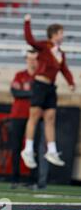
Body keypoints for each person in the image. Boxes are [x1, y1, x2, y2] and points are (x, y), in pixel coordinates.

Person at [21, 14, 76, 169]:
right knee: (34, 115)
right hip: (40, 84)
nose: (62, 36)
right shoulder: (44, 46)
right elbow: (29, 40)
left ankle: (51, 150)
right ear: (54, 34)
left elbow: (64, 70)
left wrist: (71, 82)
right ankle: (28, 149)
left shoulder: (61, 53)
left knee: (50, 117)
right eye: (60, 33)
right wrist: (27, 22)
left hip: (51, 87)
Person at [9, 50, 38, 188]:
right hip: (18, 115)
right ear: (26, 60)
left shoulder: (40, 77)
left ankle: (32, 179)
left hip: (33, 117)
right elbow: (15, 92)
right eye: (29, 59)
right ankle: (15, 178)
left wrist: (26, 93)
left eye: (34, 59)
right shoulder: (20, 75)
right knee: (16, 148)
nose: (32, 61)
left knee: (32, 148)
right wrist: (32, 93)